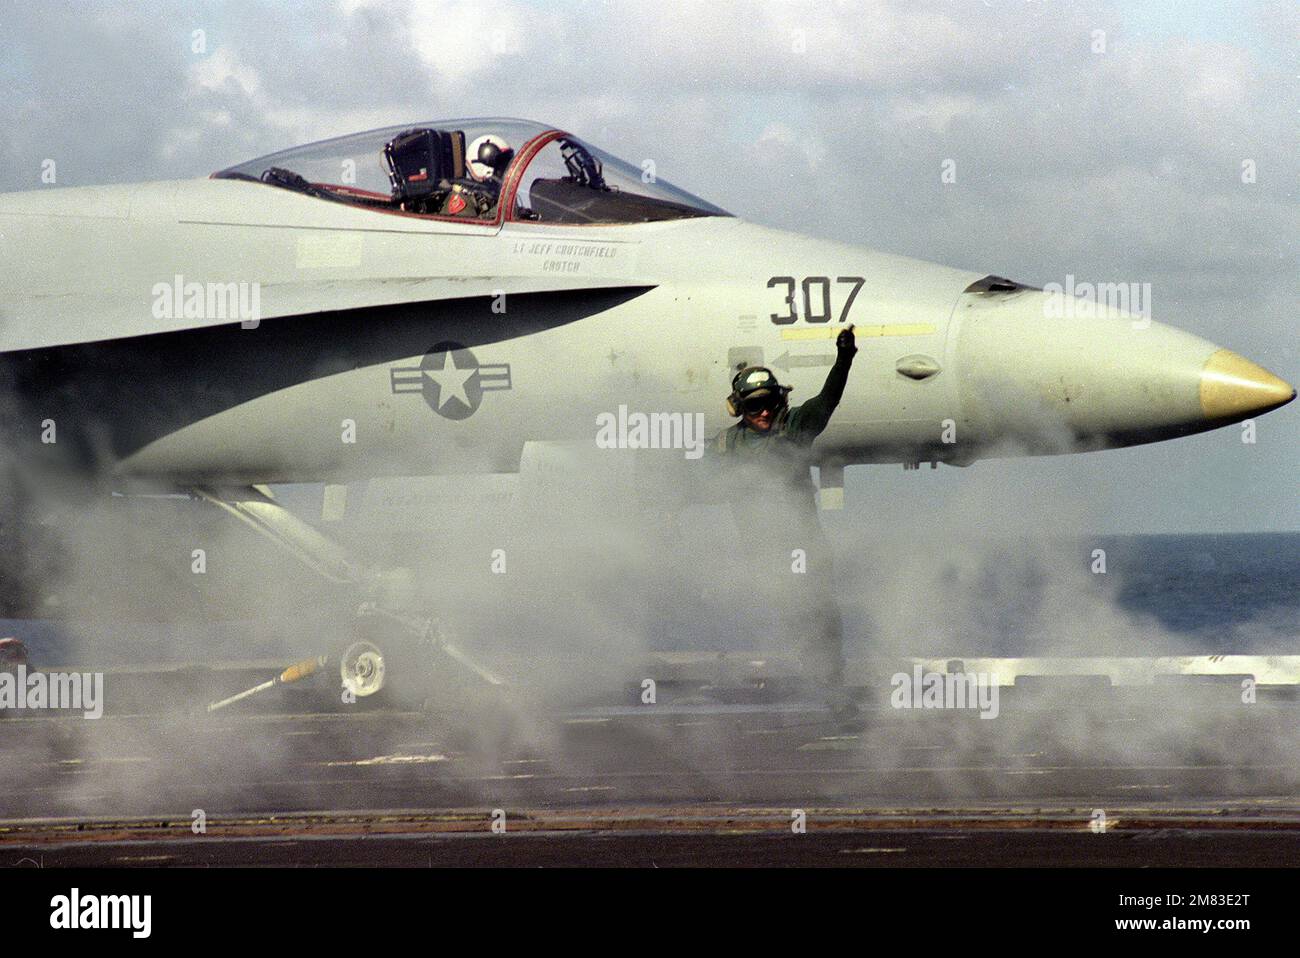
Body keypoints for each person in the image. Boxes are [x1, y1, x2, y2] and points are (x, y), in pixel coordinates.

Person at [716, 325, 859, 717]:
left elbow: (827, 401)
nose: (762, 412)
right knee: (791, 619)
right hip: (760, 554)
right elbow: (693, 483)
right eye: (752, 406)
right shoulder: (726, 446)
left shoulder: (795, 428)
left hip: (803, 549)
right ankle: (812, 679)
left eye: (767, 404)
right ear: (738, 408)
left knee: (820, 615)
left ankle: (832, 688)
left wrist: (844, 358)